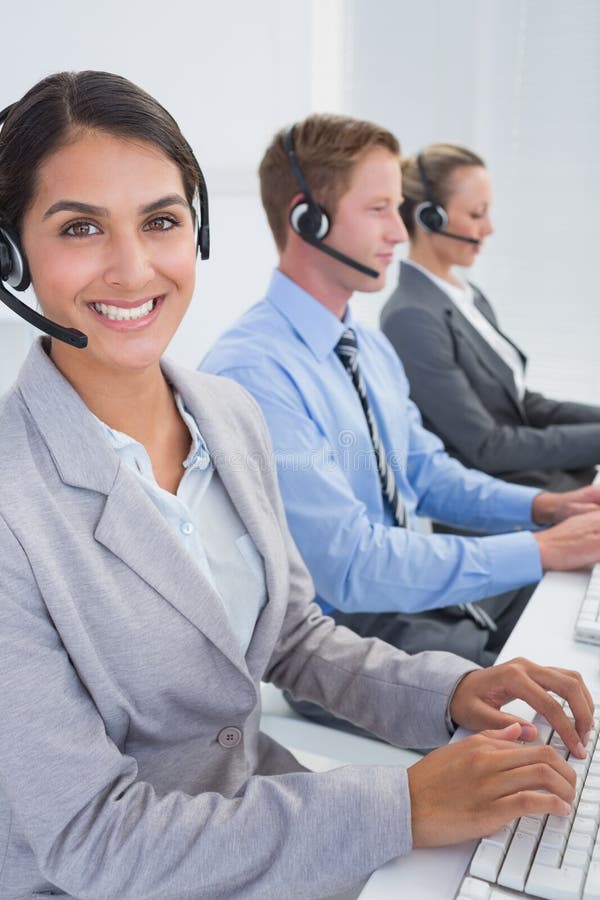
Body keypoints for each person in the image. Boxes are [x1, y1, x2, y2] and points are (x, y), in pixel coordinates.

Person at [0, 70, 593, 900]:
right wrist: (401, 805)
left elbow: (293, 636)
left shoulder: (226, 413)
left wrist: (452, 692)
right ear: (12, 253)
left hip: (271, 822)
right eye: (80, 227)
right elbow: (91, 841)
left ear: (196, 235)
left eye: (161, 221)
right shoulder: (13, 505)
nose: (132, 268)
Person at [201, 113, 600, 689]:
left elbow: (427, 473)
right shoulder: (254, 374)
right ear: (306, 219)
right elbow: (351, 567)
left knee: (574, 636)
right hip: (342, 645)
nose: (399, 232)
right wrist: (539, 549)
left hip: (409, 602)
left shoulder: (367, 345)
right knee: (561, 707)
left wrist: (544, 509)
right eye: (379, 209)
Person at [380, 142, 600, 494]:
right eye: (477, 214)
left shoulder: (466, 295)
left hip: (537, 478)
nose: (489, 228)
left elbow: (521, 403)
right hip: (497, 497)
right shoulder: (411, 317)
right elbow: (487, 445)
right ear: (428, 218)